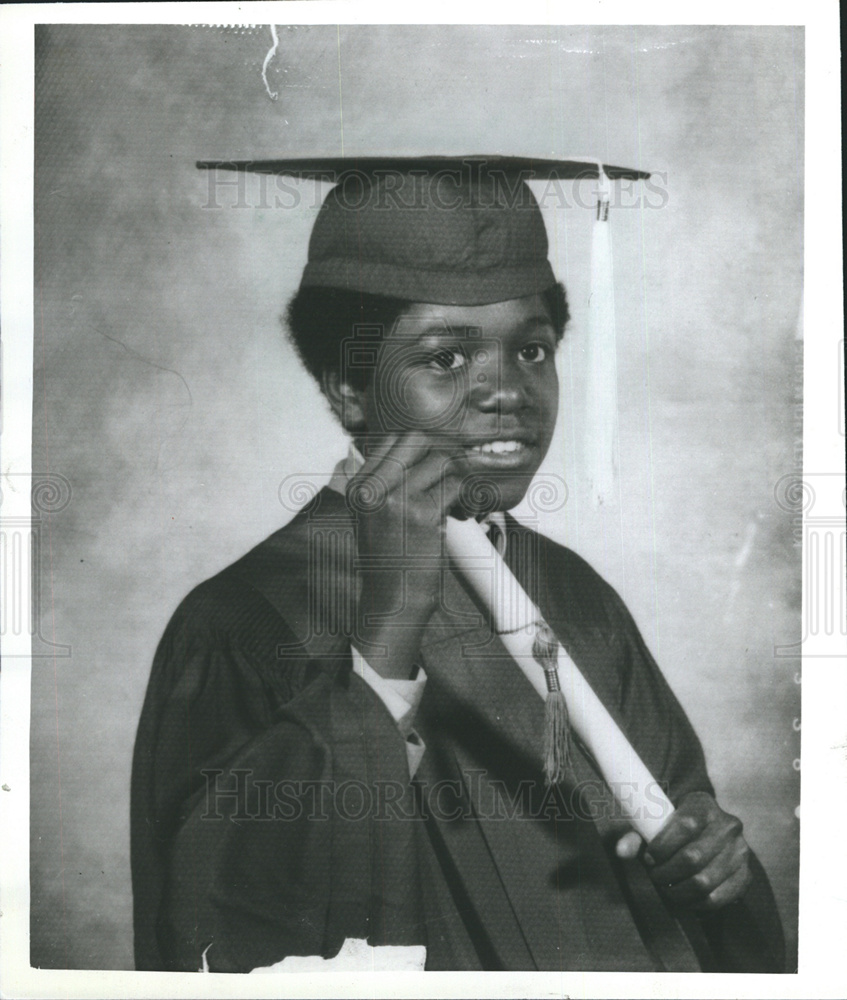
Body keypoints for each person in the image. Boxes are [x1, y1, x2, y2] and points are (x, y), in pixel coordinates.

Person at [130, 162, 785, 973]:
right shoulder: (242, 622)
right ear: (347, 390)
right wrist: (387, 637)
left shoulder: (576, 598)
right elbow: (222, 928)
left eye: (533, 350)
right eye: (445, 359)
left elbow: (689, 844)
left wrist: (710, 866)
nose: (505, 391)